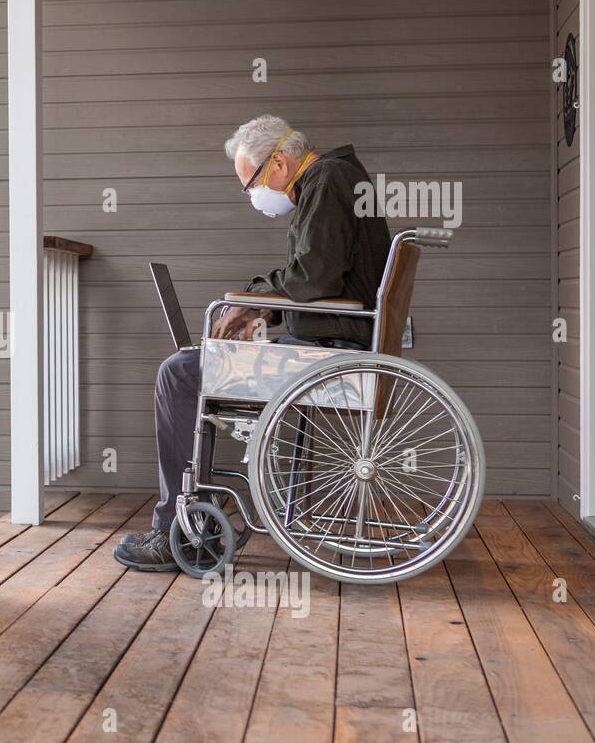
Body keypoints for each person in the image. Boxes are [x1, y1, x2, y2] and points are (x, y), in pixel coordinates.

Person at [114, 115, 393, 571]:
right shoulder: (333, 178)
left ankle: (174, 533)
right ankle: (189, 522)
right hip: (336, 342)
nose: (253, 197)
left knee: (179, 373)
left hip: (334, 356)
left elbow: (315, 276)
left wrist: (253, 301)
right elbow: (319, 280)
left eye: (252, 185)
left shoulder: (327, 179)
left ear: (279, 162)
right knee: (198, 362)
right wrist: (262, 308)